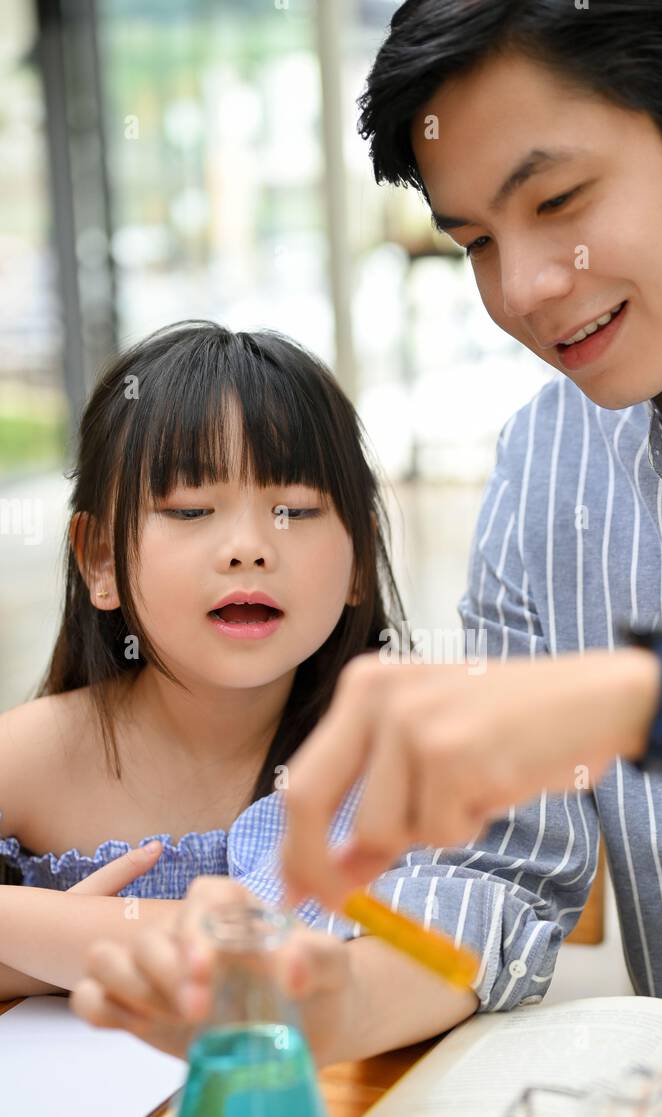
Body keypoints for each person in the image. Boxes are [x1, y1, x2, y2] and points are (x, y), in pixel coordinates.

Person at [74, 0, 662, 1061]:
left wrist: (640, 697)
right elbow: (501, 871)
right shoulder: (544, 471)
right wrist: (330, 998)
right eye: (477, 243)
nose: (526, 288)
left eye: (558, 198)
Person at [0, 319, 417, 1023]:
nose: (249, 548)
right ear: (101, 559)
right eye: (191, 509)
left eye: (296, 509)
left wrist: (34, 945)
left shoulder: (390, 756)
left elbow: (298, 958)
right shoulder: (37, 753)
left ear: (360, 559)